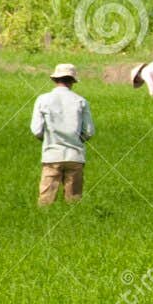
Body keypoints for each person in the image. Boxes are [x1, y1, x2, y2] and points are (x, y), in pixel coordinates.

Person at [30, 63, 94, 206]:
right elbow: (89, 131)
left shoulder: (43, 99)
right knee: (74, 202)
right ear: (73, 81)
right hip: (75, 156)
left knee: (45, 201)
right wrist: (76, 140)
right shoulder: (81, 101)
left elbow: (36, 130)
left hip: (51, 155)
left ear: (54, 79)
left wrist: (48, 140)